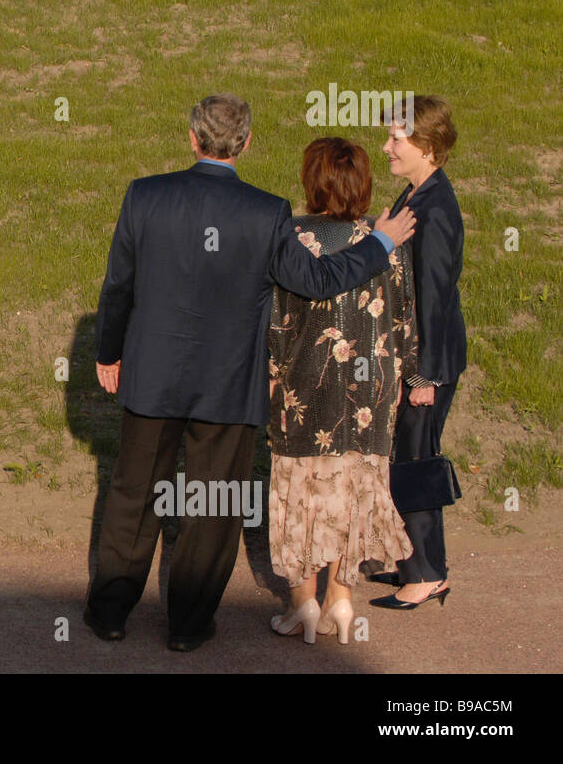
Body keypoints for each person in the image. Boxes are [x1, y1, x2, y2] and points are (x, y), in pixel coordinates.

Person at [85, 94, 416, 652]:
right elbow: (316, 280)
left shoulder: (145, 196)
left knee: (133, 493)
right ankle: (188, 625)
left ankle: (110, 613)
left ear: (193, 138)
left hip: (152, 376)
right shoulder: (267, 213)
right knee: (213, 505)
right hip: (229, 384)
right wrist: (380, 243)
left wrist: (108, 353)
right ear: (246, 143)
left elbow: (119, 286)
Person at [266, 137, 416, 644]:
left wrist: (267, 375)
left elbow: (276, 324)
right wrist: (405, 379)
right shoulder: (388, 239)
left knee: (301, 495)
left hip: (302, 388)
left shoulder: (292, 238)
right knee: (351, 491)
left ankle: (302, 604)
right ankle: (342, 601)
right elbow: (404, 324)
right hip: (370, 392)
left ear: (313, 181)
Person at [369, 97, 465, 610]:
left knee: (415, 458)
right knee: (409, 454)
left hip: (429, 361)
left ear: (426, 147)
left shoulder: (435, 209)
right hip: (421, 357)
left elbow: (434, 295)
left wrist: (425, 374)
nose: (386, 147)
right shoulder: (418, 194)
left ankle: (426, 574)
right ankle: (419, 564)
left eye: (395, 140)